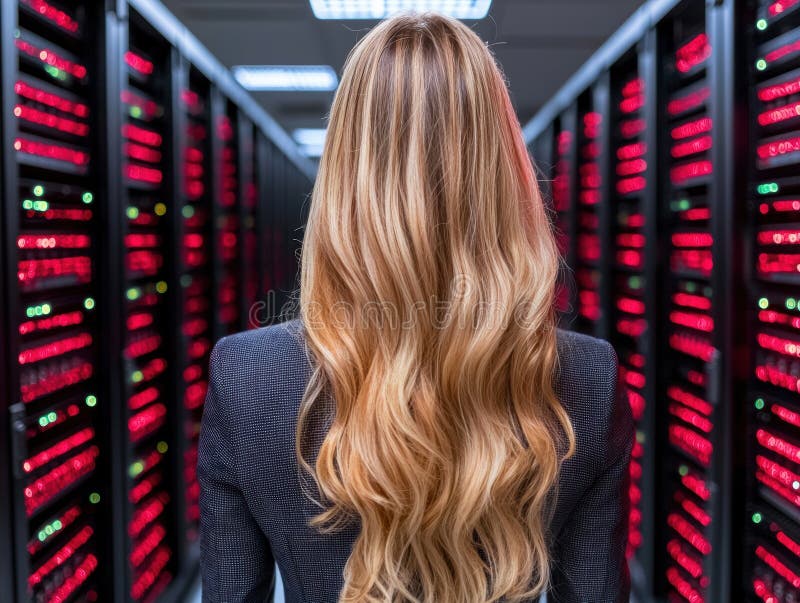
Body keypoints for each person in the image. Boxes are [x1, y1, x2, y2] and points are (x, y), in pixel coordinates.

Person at [198, 12, 633, 603]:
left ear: (344, 176)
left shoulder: (245, 375)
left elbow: (230, 589)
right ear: (503, 173)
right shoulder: (587, 378)